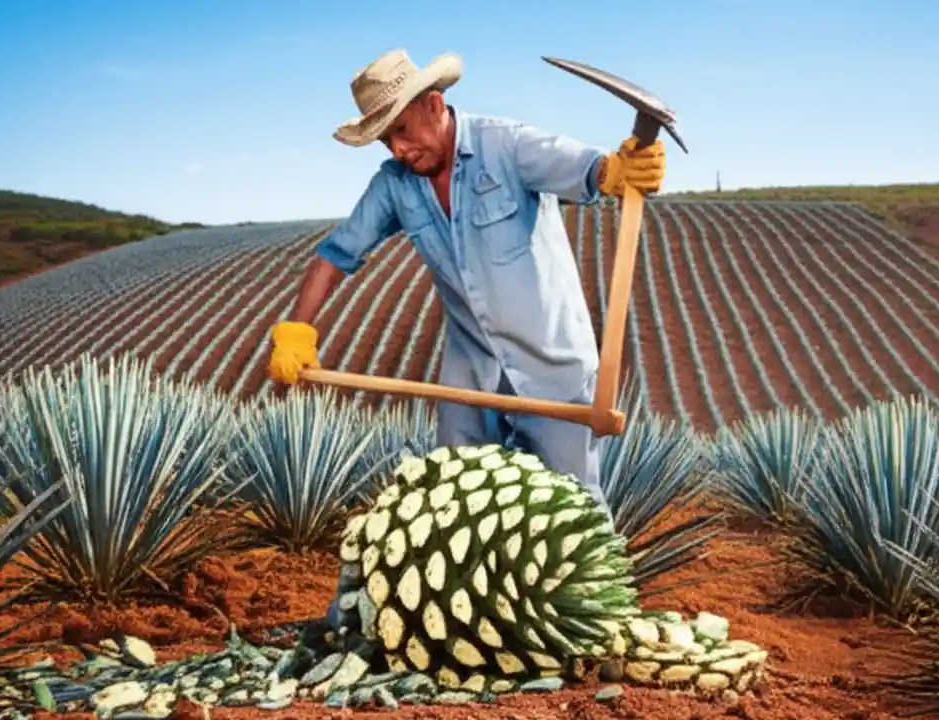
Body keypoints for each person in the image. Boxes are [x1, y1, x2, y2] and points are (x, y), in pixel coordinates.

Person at [265, 49, 665, 515]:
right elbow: (334, 255)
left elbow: (590, 170)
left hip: (551, 369)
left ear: (433, 105)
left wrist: (619, 171)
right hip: (470, 379)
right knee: (457, 510)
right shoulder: (395, 184)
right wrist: (298, 330)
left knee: (572, 514)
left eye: (400, 130)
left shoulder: (508, 145)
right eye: (384, 140)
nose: (397, 149)